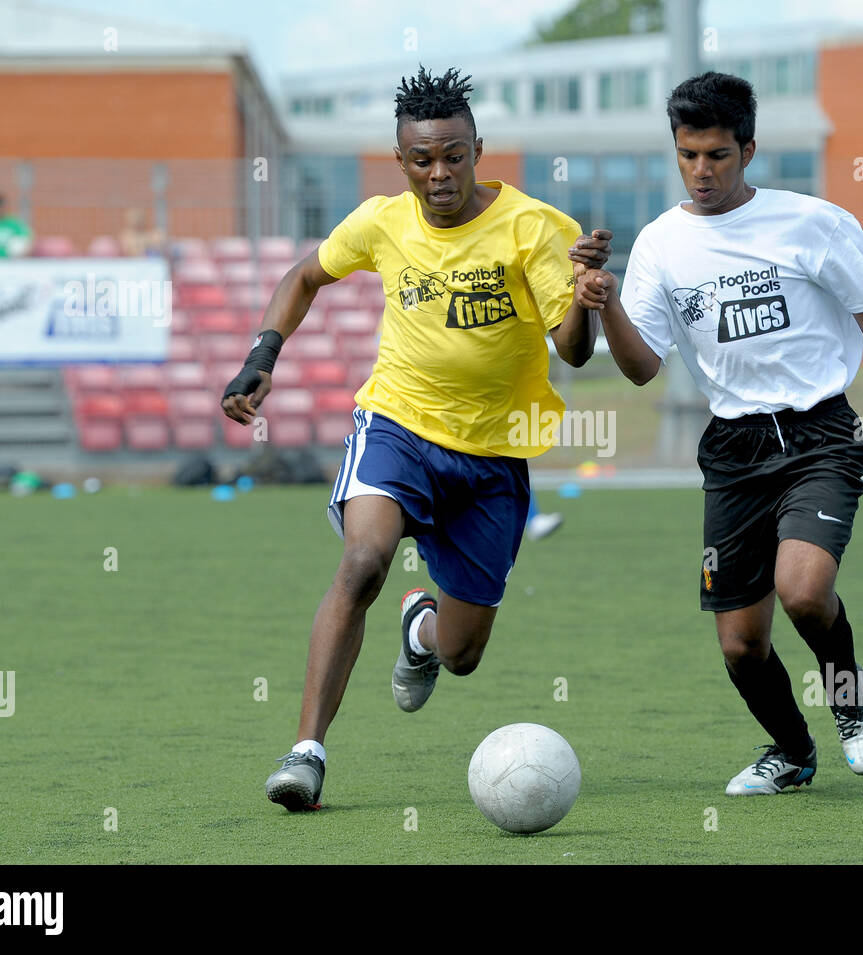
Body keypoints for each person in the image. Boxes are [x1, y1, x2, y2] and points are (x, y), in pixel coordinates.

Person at [573, 72, 863, 796]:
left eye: (717, 154)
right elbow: (642, 368)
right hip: (733, 450)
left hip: (820, 436)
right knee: (742, 644)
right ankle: (792, 750)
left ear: (748, 149)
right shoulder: (658, 245)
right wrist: (607, 303)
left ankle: (850, 701)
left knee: (804, 592)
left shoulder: (812, 223)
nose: (702, 170)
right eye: (688, 155)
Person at [221, 66, 613, 812]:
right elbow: (303, 278)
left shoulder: (534, 228)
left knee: (461, 655)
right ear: (401, 161)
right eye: (423, 159)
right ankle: (306, 752)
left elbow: (574, 349)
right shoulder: (380, 221)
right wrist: (261, 355)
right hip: (396, 425)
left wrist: (587, 299)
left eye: (455, 155)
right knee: (363, 560)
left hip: (495, 456)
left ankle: (420, 630)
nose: (440, 173)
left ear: (476, 150)